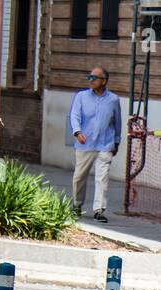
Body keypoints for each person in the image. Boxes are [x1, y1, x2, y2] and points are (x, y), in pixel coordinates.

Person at [70, 67, 121, 224]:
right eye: (89, 77)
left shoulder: (113, 100)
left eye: (94, 78)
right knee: (79, 177)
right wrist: (78, 132)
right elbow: (74, 115)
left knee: (102, 179)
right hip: (85, 144)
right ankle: (77, 205)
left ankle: (99, 210)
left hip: (105, 144)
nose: (90, 80)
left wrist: (117, 141)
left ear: (104, 81)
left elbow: (117, 122)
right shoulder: (81, 97)